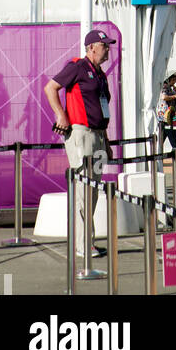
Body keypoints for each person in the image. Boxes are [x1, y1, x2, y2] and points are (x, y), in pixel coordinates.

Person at [44, 28, 115, 255]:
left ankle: (87, 240)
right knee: (84, 190)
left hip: (97, 135)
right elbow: (50, 87)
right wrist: (61, 115)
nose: (108, 50)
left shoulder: (100, 74)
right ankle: (82, 244)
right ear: (91, 47)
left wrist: (107, 141)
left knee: (93, 190)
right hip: (81, 134)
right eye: (105, 46)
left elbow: (102, 108)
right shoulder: (77, 67)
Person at [156, 73, 176, 154]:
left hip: (169, 114)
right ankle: (175, 151)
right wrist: (174, 96)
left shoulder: (171, 88)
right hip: (166, 115)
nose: (174, 81)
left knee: (165, 135)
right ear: (169, 79)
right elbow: (164, 97)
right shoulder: (165, 87)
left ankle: (158, 151)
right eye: (173, 80)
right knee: (172, 134)